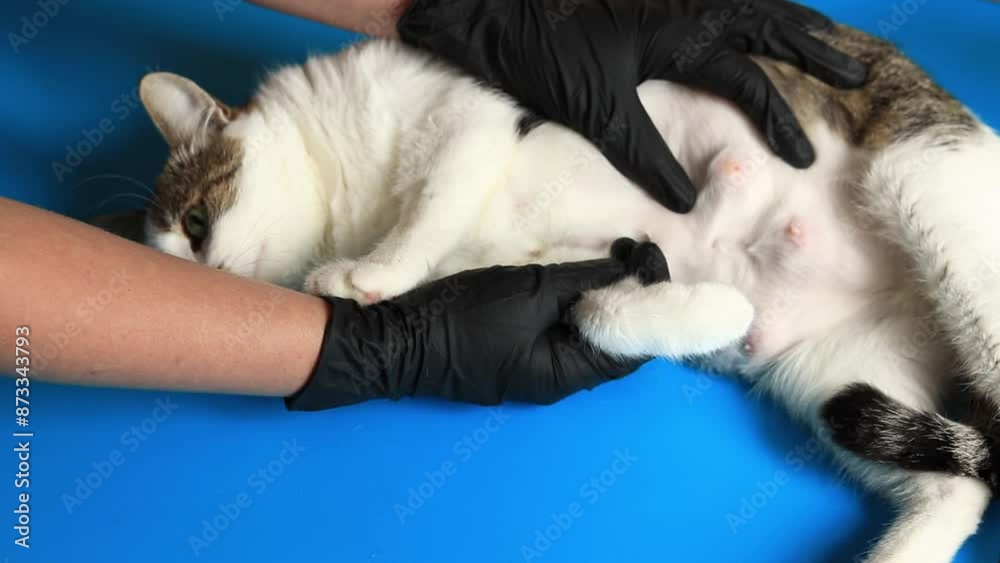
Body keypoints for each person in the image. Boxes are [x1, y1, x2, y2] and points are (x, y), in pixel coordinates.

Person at [0, 0, 865, 411]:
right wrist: (374, 347)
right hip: (699, 271)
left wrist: (476, 13)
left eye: (196, 228)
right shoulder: (337, 252)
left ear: (224, 125)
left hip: (767, 164)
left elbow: (469, 130)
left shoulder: (337, 99)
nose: (211, 269)